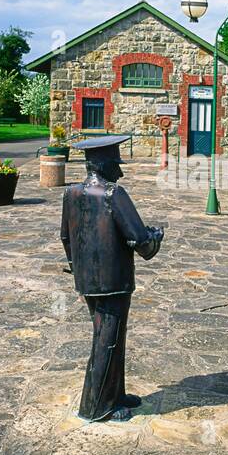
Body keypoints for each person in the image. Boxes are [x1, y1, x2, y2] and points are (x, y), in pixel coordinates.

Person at [59, 135, 164, 422]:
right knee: (107, 341)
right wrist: (156, 236)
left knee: (110, 337)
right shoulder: (113, 194)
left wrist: (77, 269)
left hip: (87, 280)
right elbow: (141, 242)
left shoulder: (71, 193)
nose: (120, 171)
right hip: (114, 281)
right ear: (103, 164)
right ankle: (96, 407)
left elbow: (66, 237)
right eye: (116, 165)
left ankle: (115, 393)